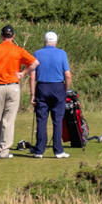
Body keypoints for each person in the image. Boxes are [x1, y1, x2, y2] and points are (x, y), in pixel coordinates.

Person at [0, 25, 38, 159]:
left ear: (2, 36)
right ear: (13, 36)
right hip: (13, 87)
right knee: (8, 120)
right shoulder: (18, 50)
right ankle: (3, 151)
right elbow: (35, 63)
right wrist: (23, 73)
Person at [30, 30, 72, 159]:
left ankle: (39, 150)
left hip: (42, 87)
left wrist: (32, 94)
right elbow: (68, 75)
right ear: (56, 41)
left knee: (41, 120)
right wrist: (65, 89)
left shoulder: (37, 53)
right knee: (57, 120)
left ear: (45, 41)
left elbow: (32, 76)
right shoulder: (62, 53)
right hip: (58, 87)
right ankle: (58, 151)